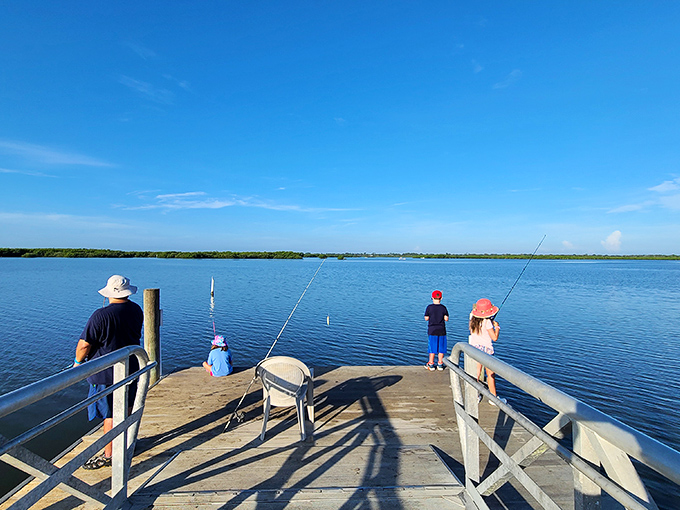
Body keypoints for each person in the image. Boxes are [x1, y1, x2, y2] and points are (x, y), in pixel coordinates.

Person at [73, 275, 144, 469]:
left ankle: (110, 455)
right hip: (131, 368)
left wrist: (77, 363)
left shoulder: (100, 315)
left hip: (105, 374)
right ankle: (128, 445)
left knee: (110, 415)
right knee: (127, 409)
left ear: (109, 293)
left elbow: (84, 345)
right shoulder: (137, 310)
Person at [468, 298, 507, 405]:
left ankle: (475, 395)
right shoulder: (487, 322)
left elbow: (474, 315)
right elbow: (494, 338)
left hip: (474, 349)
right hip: (487, 351)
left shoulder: (472, 320)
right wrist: (497, 327)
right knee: (490, 374)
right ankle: (493, 398)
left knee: (476, 373)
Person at [424, 290, 449, 371]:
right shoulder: (443, 308)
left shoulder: (429, 307)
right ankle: (440, 364)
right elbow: (446, 319)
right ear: (441, 298)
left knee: (432, 347)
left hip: (432, 330)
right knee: (441, 347)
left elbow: (426, 318)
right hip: (441, 330)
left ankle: (431, 364)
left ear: (432, 298)